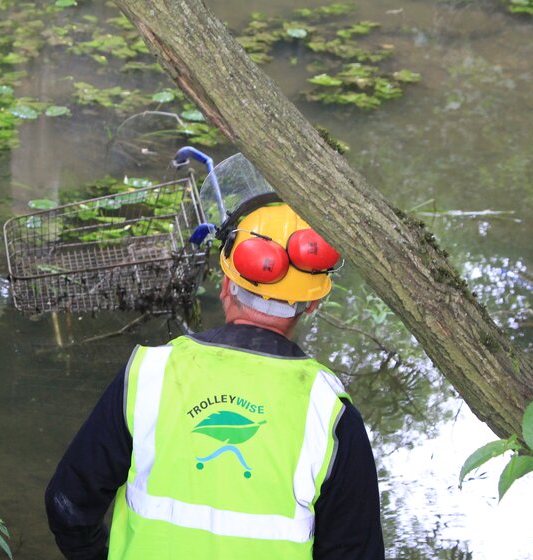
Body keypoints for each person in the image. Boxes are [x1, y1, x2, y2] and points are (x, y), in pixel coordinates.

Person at [45, 154, 384, 559]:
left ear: (225, 282)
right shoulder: (330, 413)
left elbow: (67, 507)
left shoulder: (148, 375)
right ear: (310, 305)